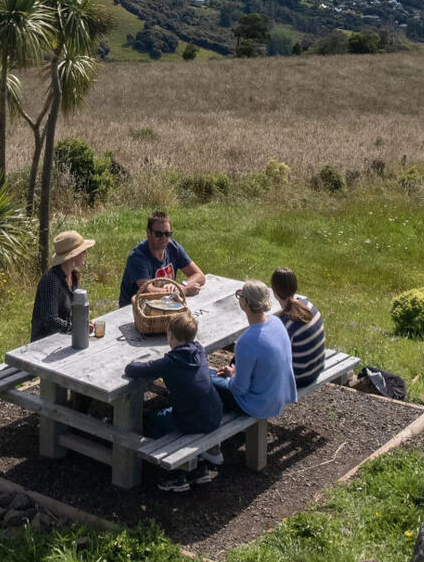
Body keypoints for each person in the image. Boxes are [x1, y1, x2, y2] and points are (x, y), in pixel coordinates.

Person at [124, 312, 222, 492]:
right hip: (214, 413)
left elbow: (133, 369)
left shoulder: (171, 362)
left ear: (169, 334)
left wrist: (133, 362)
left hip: (192, 419)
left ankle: (175, 474)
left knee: (151, 422)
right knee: (173, 409)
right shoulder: (199, 350)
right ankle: (199, 468)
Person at [213, 280, 298, 423]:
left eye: (240, 294)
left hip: (259, 406)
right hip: (280, 394)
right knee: (213, 375)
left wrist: (232, 376)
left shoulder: (246, 341)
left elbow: (239, 389)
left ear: (245, 303)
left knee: (205, 380)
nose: (238, 296)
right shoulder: (276, 322)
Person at [118, 210, 205, 307]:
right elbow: (148, 291)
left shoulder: (173, 247)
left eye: (168, 234)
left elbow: (199, 275)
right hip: (135, 310)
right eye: (159, 234)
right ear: (148, 232)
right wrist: (182, 291)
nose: (164, 238)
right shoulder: (137, 257)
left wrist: (182, 285)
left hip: (164, 304)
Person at [31, 230, 95, 342]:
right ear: (72, 255)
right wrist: (77, 327)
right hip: (44, 345)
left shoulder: (73, 276)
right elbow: (50, 320)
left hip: (63, 339)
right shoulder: (51, 281)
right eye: (82, 250)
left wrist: (82, 322)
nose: (85, 253)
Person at [271, 267, 326, 389]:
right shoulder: (309, 306)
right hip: (316, 370)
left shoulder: (285, 324)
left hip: (299, 378)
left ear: (274, 293)